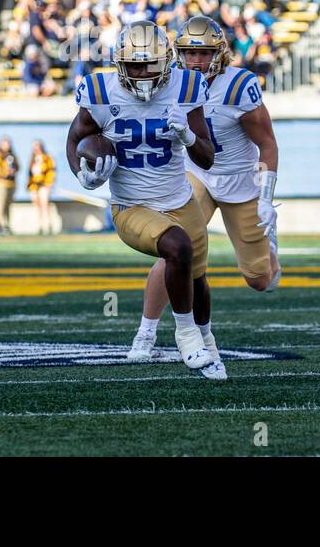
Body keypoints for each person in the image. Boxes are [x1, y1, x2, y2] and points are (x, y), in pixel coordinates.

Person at [65, 21, 221, 377]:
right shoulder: (100, 92)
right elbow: (76, 139)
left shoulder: (187, 87)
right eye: (133, 66)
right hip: (131, 206)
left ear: (166, 61)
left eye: (148, 64)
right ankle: (185, 336)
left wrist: (189, 138)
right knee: (177, 247)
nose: (141, 73)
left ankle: (208, 344)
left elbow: (208, 158)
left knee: (196, 278)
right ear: (119, 64)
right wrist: (82, 174)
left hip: (180, 201)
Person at [127, 16, 281, 368]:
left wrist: (266, 197)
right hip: (196, 174)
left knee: (259, 280)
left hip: (240, 180)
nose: (195, 61)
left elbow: (267, 144)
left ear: (220, 53)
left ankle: (270, 246)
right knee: (173, 248)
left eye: (204, 53)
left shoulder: (239, 84)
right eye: (188, 53)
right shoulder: (170, 82)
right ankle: (146, 333)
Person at [0, 136, 18, 233]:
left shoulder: (12, 155)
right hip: (1, 184)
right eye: (5, 144)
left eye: (8, 143)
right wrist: (6, 172)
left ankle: (7, 225)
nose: (7, 146)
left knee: (8, 205)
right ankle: (0, 225)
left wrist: (14, 171)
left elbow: (18, 166)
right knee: (0, 205)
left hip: (11, 184)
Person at [28, 140, 56, 235]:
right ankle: (39, 226)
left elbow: (51, 171)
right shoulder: (32, 159)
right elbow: (30, 174)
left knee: (45, 205)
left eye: (37, 146)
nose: (36, 148)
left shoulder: (47, 158)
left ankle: (48, 225)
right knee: (37, 206)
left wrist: (49, 182)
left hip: (44, 185)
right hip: (34, 186)